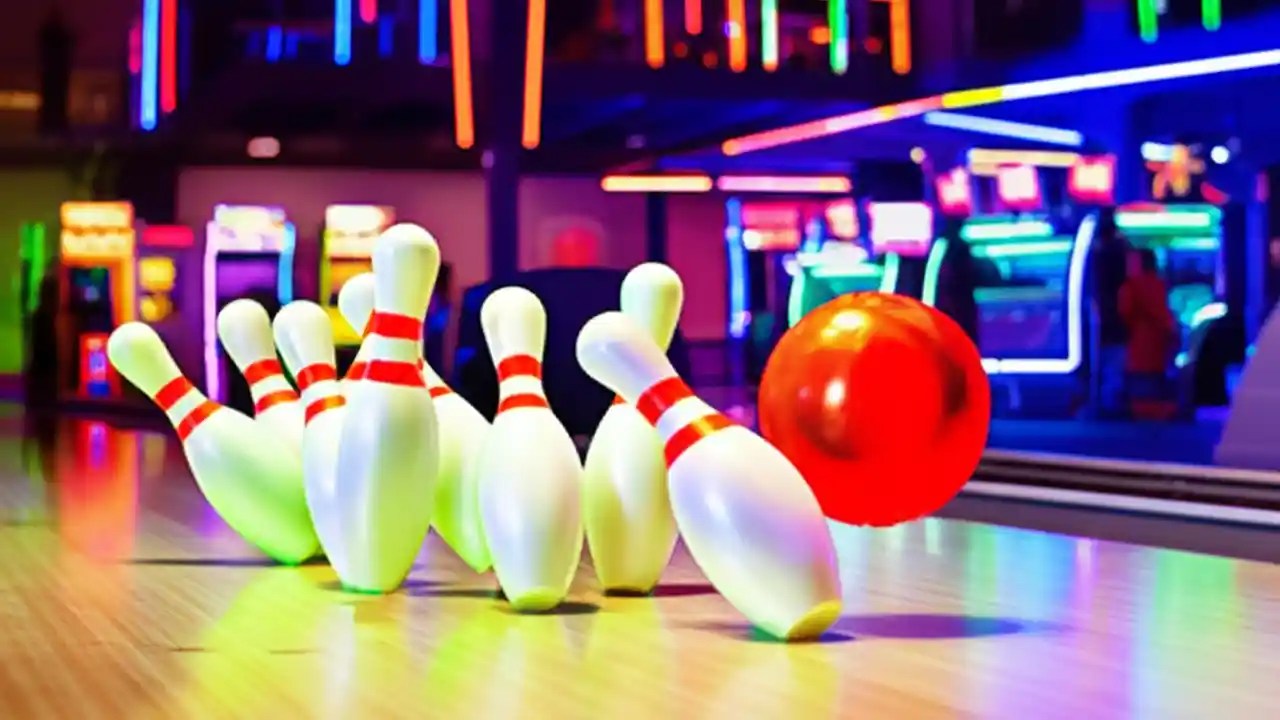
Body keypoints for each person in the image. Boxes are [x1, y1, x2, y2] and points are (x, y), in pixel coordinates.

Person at [1118, 248, 1176, 420]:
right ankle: (1158, 410)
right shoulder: (1160, 284)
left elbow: (1125, 312)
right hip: (1159, 344)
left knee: (1140, 381)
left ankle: (1143, 410)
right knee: (1154, 379)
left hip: (1139, 343)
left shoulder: (1131, 286)